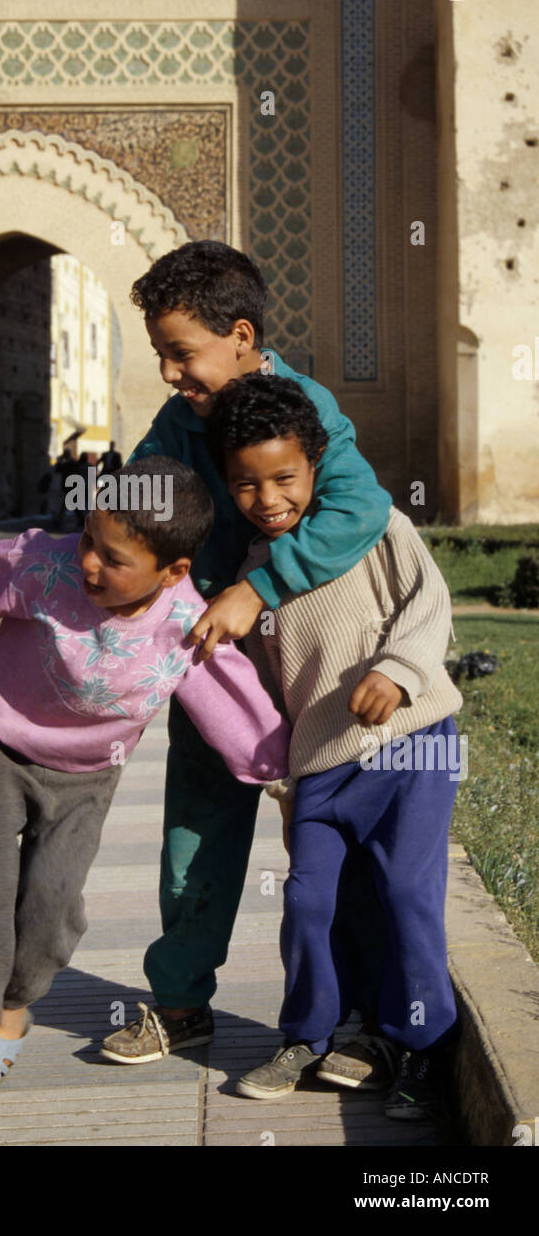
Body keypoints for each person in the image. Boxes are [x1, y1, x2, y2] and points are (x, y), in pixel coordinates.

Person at [0, 457, 289, 1136]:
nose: (87, 563)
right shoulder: (45, 566)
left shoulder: (185, 625)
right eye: (86, 540)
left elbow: (233, 700)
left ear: (171, 571)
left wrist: (281, 776)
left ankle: (15, 1006)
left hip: (86, 778)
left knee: (52, 905)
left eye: (112, 559)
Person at [101, 239, 392, 1071]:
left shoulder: (303, 406)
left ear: (239, 333)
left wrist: (259, 588)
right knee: (196, 832)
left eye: (180, 353)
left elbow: (359, 508)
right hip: (217, 669)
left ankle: (359, 1016)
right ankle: (182, 1001)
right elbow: (140, 509)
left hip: (319, 669)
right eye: (160, 354)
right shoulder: (179, 425)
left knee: (332, 842)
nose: (169, 372)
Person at [204, 371, 463, 1119]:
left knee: (407, 891)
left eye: (285, 477)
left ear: (316, 466)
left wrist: (399, 671)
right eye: (246, 484)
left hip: (413, 746)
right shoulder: (254, 581)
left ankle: (419, 1048)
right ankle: (310, 1036)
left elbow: (430, 604)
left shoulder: (377, 525)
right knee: (310, 898)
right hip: (320, 766)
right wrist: (283, 785)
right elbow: (260, 697)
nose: (269, 498)